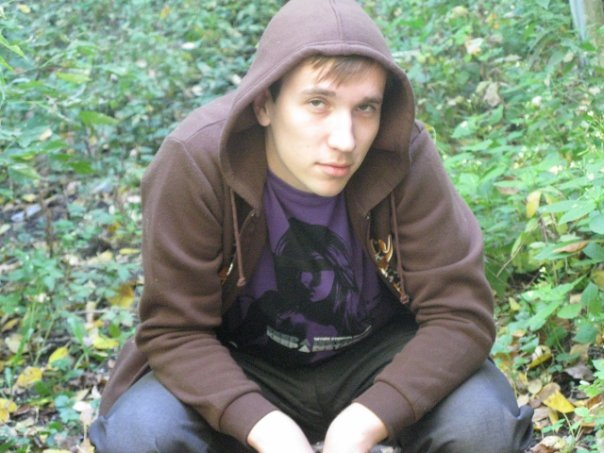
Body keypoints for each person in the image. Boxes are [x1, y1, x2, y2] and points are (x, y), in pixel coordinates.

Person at [90, 0, 534, 451]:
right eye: (318, 103)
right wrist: (268, 429)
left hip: (379, 356)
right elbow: (175, 331)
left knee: (481, 425)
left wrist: (362, 424)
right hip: (239, 362)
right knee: (142, 432)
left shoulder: (404, 155)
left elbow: (459, 314)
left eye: (366, 108)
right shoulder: (195, 162)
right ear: (265, 103)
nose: (345, 140)